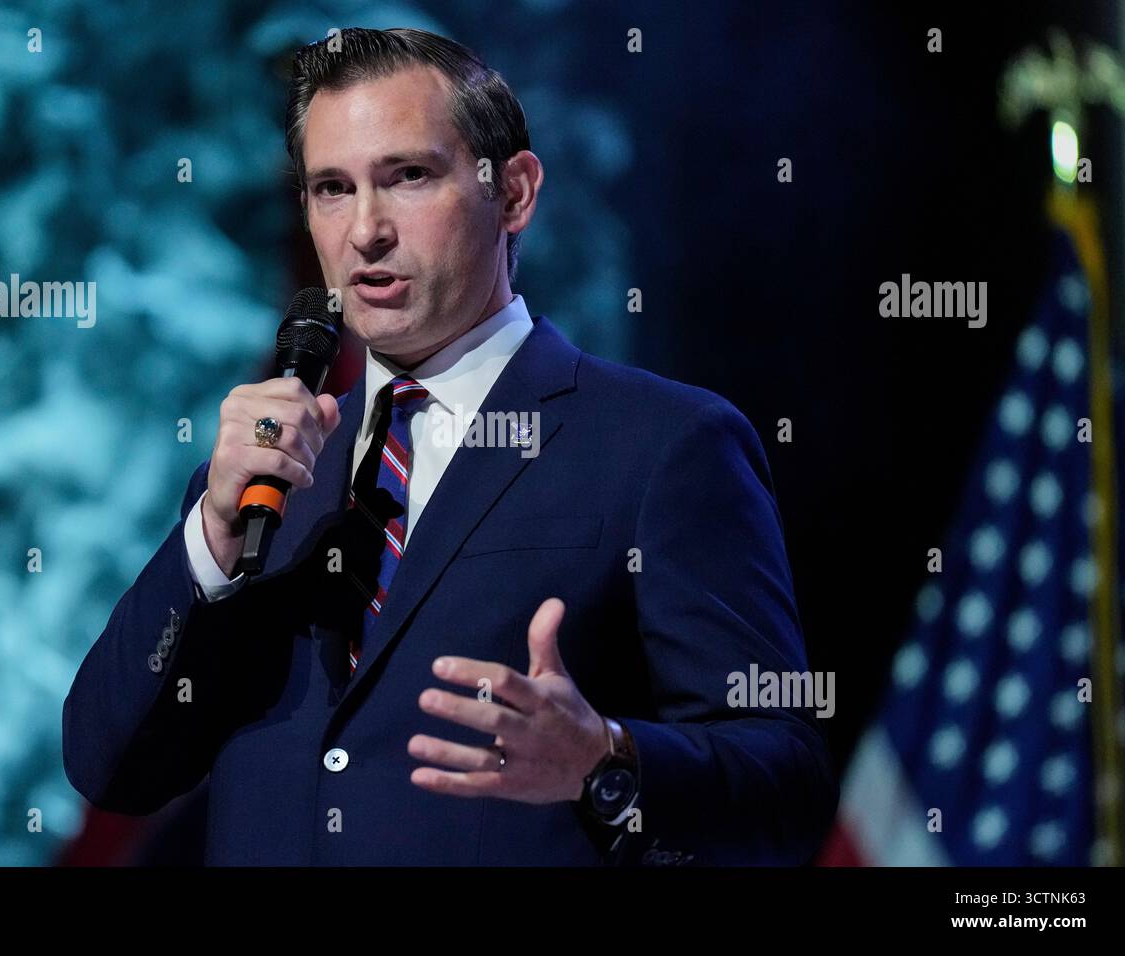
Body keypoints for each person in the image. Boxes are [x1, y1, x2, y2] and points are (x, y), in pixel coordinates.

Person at [62, 26, 837, 866]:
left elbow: (786, 790)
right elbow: (112, 770)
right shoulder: (268, 477)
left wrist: (605, 759)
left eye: (408, 176)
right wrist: (207, 545)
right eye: (331, 188)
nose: (364, 231)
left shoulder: (666, 446)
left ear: (513, 194)